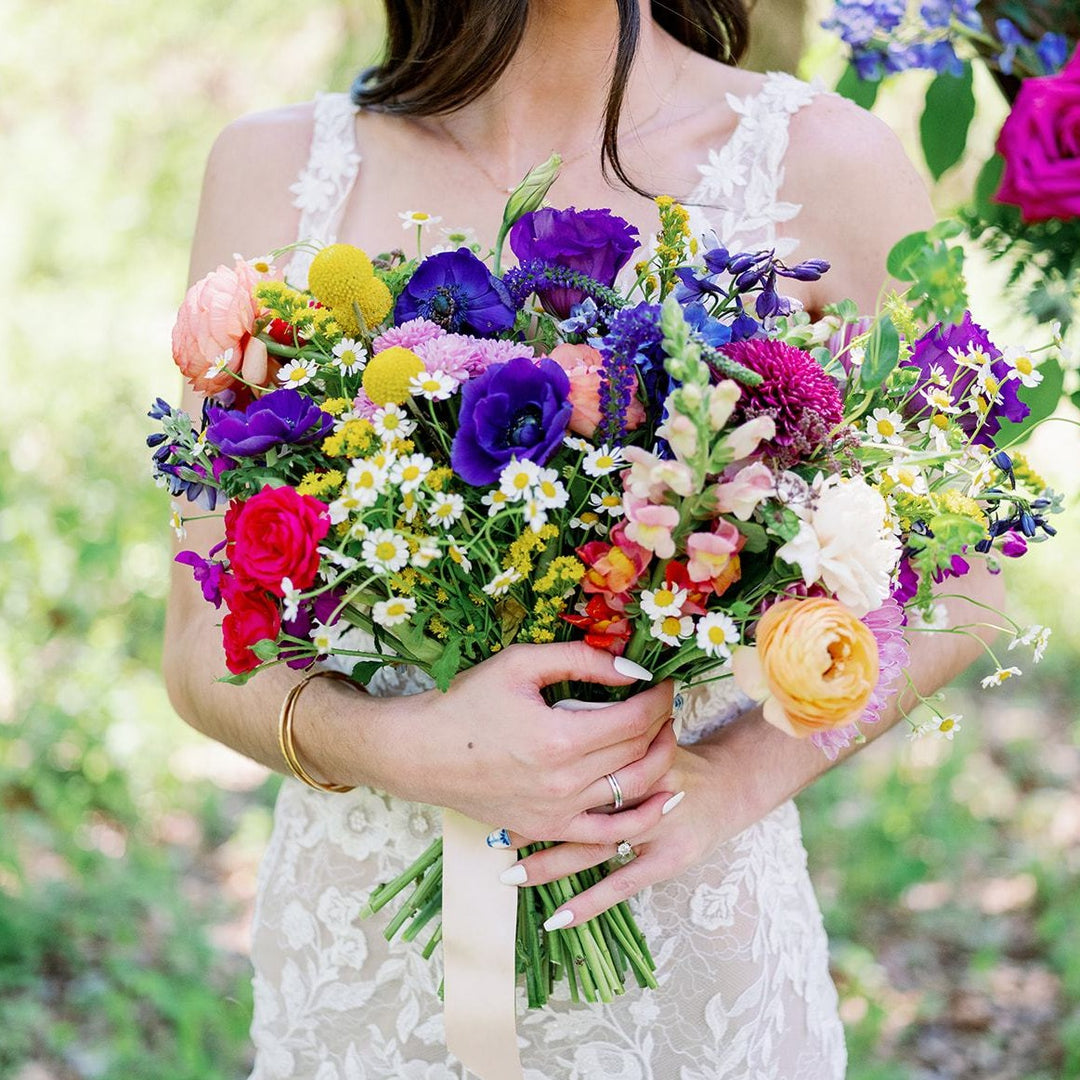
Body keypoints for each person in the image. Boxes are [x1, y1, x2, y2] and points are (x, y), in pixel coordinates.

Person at [163, 1, 1004, 1076]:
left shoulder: (825, 160)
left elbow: (967, 586)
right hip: (366, 968)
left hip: (688, 957)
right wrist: (404, 747)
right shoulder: (273, 170)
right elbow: (198, 647)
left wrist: (735, 780)